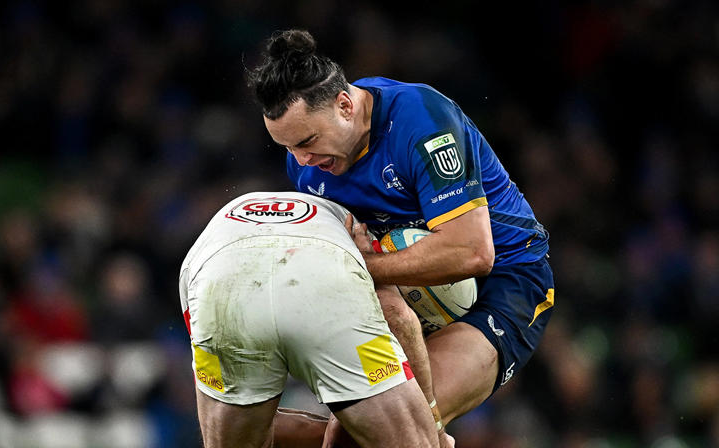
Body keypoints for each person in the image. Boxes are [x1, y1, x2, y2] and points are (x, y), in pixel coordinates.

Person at [247, 29, 555, 440]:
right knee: (333, 435)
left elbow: (472, 252)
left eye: (307, 141)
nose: (302, 160)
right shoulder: (308, 166)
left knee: (366, 434)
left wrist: (365, 269)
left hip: (506, 282)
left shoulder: (421, 119)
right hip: (403, 297)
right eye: (287, 148)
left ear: (344, 105)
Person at [178, 191, 445, 448]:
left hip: (218, 280)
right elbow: (397, 316)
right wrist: (432, 423)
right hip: (326, 277)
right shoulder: (361, 234)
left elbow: (249, 416)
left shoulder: (212, 234)